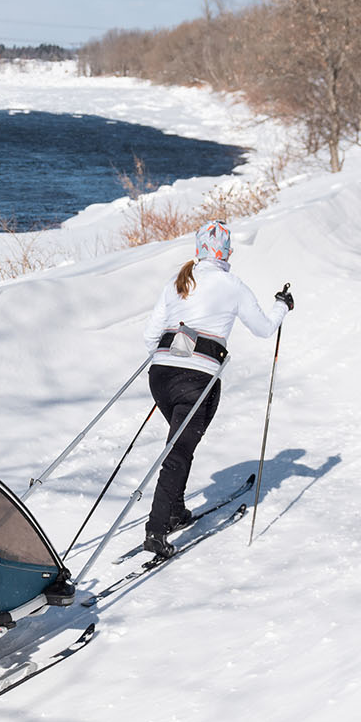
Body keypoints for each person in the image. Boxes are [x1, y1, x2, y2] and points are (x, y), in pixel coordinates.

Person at [138, 219, 294, 560]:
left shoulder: (178, 281)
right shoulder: (231, 284)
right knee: (178, 452)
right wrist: (282, 305)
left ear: (198, 249)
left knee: (179, 446)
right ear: (226, 253)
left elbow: (150, 338)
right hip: (198, 381)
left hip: (161, 376)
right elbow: (265, 329)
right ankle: (156, 529)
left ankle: (174, 510)